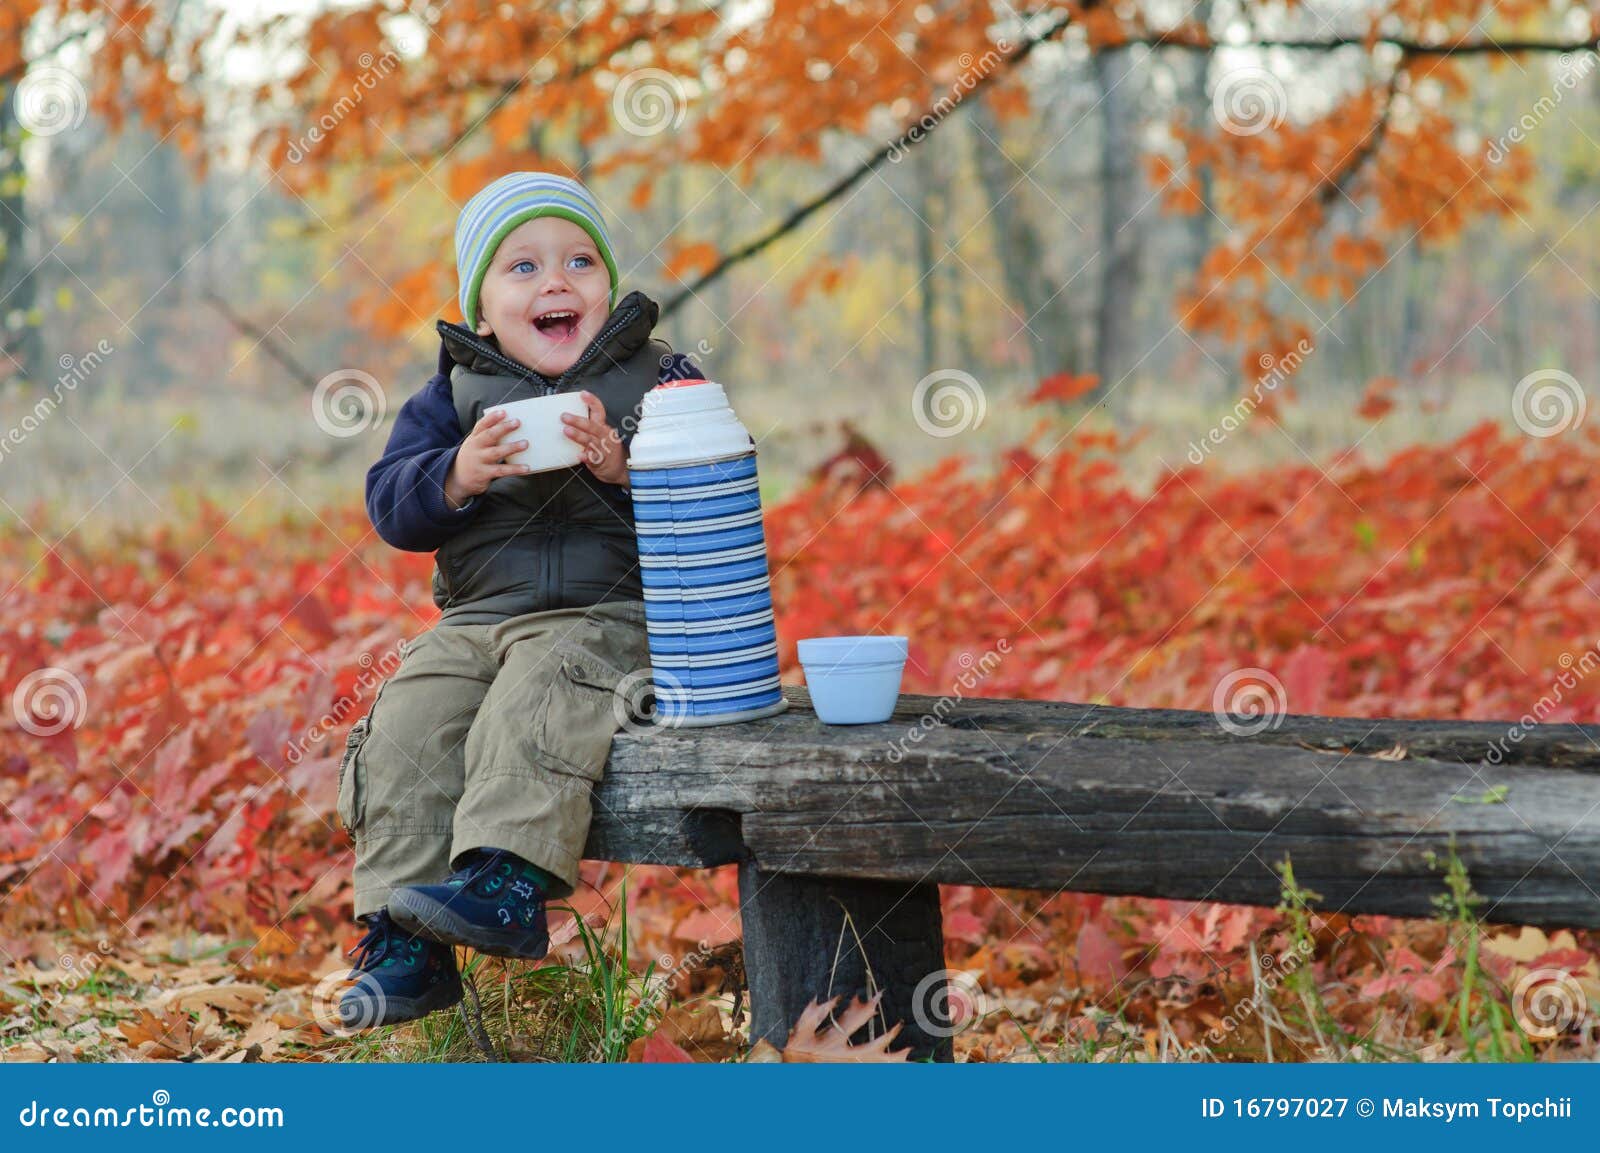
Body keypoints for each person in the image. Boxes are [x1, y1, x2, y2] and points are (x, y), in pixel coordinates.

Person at [336, 172, 699, 1028]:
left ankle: (505, 879)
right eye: (523, 268)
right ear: (483, 305)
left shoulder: (659, 379)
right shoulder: (451, 398)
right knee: (408, 711)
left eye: (579, 260)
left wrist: (625, 468)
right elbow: (391, 504)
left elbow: (717, 489)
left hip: (607, 617)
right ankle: (405, 935)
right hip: (475, 619)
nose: (556, 282)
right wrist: (457, 474)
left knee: (540, 688)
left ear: (607, 283)